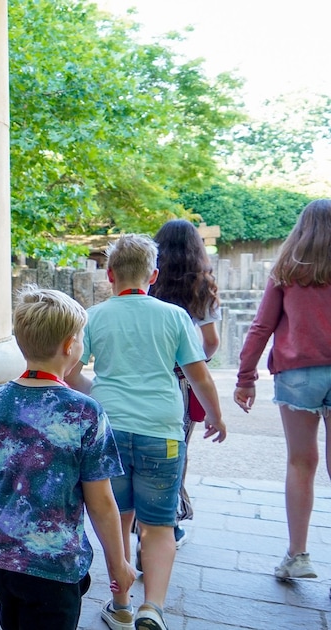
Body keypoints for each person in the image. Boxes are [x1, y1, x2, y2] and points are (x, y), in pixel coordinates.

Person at [0, 286, 135, 630]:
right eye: (80, 338)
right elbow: (102, 503)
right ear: (69, 346)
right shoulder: (84, 411)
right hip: (53, 569)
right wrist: (118, 563)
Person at [65, 234, 227, 630]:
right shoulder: (174, 317)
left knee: (116, 519)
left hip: (111, 433)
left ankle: (120, 603)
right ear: (153, 275)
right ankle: (152, 607)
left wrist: (98, 395)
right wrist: (215, 415)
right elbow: (199, 374)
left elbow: (69, 371)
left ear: (109, 274)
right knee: (158, 526)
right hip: (163, 433)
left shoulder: (94, 316)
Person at [234, 199, 331, 583]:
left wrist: (245, 377)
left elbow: (261, 327)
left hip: (298, 374)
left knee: (301, 463)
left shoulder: (287, 270)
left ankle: (298, 555)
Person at [147, 219, 221, 549]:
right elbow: (211, 342)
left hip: (147, 373)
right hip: (182, 382)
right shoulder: (202, 286)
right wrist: (193, 363)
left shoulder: (150, 283)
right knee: (176, 449)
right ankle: (168, 521)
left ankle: (141, 519)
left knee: (143, 445)